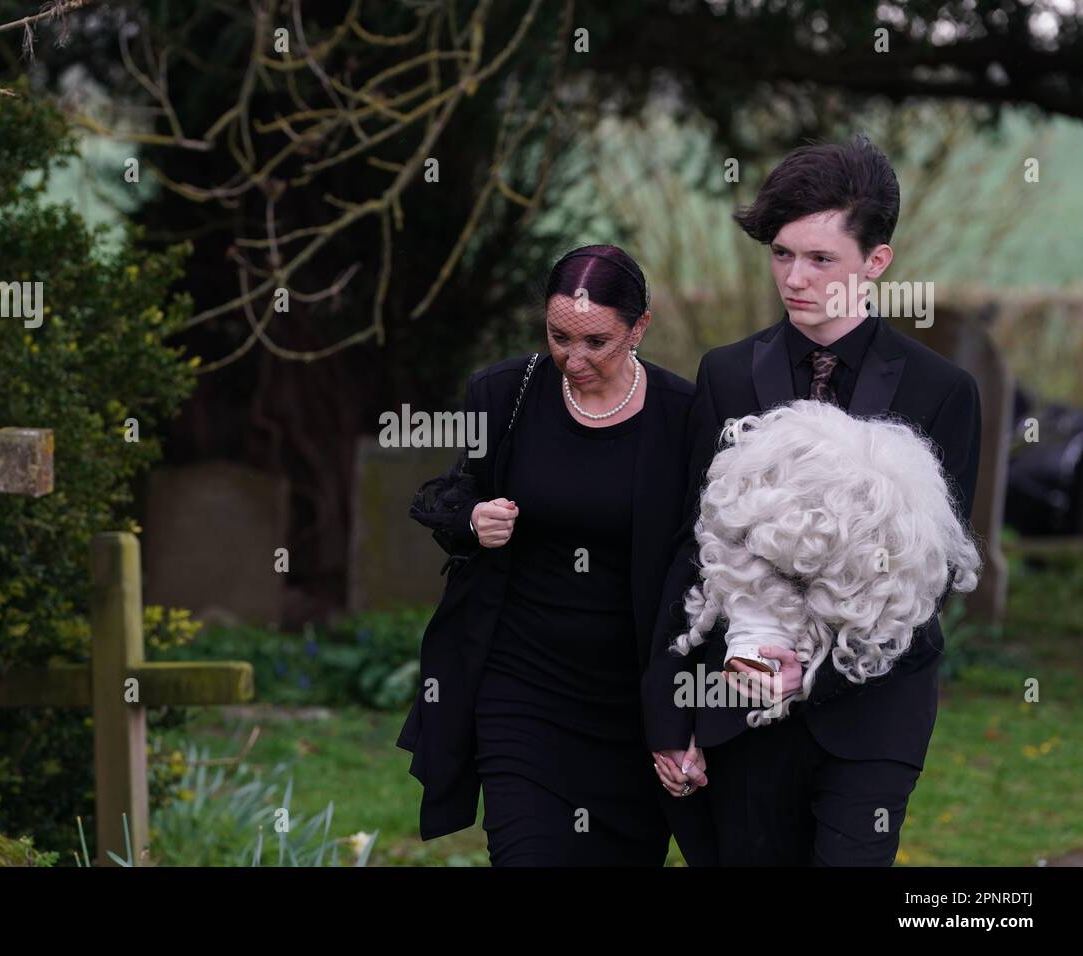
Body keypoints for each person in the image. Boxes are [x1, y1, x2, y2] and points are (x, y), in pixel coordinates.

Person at [645, 133, 983, 865]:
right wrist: (671, 709)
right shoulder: (726, 374)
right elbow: (691, 546)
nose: (795, 278)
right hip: (739, 698)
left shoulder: (941, 391)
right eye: (781, 254)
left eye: (821, 259)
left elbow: (929, 576)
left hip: (872, 708)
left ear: (877, 261)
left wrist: (817, 672)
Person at [398, 244, 712, 865]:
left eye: (597, 342)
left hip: (631, 699)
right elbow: (452, 492)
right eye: (558, 337)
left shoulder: (683, 415)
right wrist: (474, 519)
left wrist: (682, 714)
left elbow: (702, 561)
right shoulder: (504, 393)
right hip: (523, 687)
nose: (574, 358)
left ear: (640, 328)